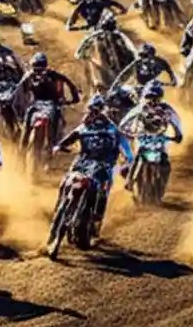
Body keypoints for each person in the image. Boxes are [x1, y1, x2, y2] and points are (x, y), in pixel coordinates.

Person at [53, 94, 134, 235]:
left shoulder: (113, 130)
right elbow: (71, 137)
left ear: (104, 112)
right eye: (91, 110)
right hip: (82, 162)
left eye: (97, 111)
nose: (93, 114)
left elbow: (126, 148)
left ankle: (96, 220)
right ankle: (60, 206)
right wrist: (59, 146)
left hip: (104, 166)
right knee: (66, 180)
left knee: (103, 191)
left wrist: (128, 160)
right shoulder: (84, 127)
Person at [15, 53, 81, 145]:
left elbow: (69, 83)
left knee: (56, 117)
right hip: (37, 104)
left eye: (40, 69)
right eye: (36, 69)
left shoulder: (53, 75)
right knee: (27, 119)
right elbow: (18, 90)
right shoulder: (29, 76)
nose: (38, 72)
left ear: (45, 67)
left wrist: (75, 98)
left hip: (50, 104)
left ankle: (54, 143)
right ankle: (23, 146)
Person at [112, 42, 178, 91]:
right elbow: (125, 72)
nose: (143, 58)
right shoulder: (137, 62)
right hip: (138, 84)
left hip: (150, 86)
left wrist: (173, 80)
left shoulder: (160, 62)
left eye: (145, 55)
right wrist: (116, 84)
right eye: (142, 55)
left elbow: (169, 71)